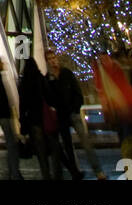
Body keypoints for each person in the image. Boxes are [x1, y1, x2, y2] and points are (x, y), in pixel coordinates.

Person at [45, 50, 86, 180]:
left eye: (53, 58)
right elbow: (49, 98)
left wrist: (75, 108)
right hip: (61, 116)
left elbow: (76, 91)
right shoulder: (49, 78)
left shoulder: (66, 73)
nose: (52, 61)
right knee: (67, 145)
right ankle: (74, 171)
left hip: (71, 112)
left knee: (83, 142)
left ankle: (78, 170)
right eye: (49, 59)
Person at [19, 56, 59, 179]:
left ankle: (45, 174)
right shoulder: (40, 78)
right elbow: (49, 96)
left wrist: (23, 124)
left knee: (41, 151)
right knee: (54, 147)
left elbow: (22, 105)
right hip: (45, 116)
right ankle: (57, 173)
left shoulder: (24, 83)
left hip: (33, 120)